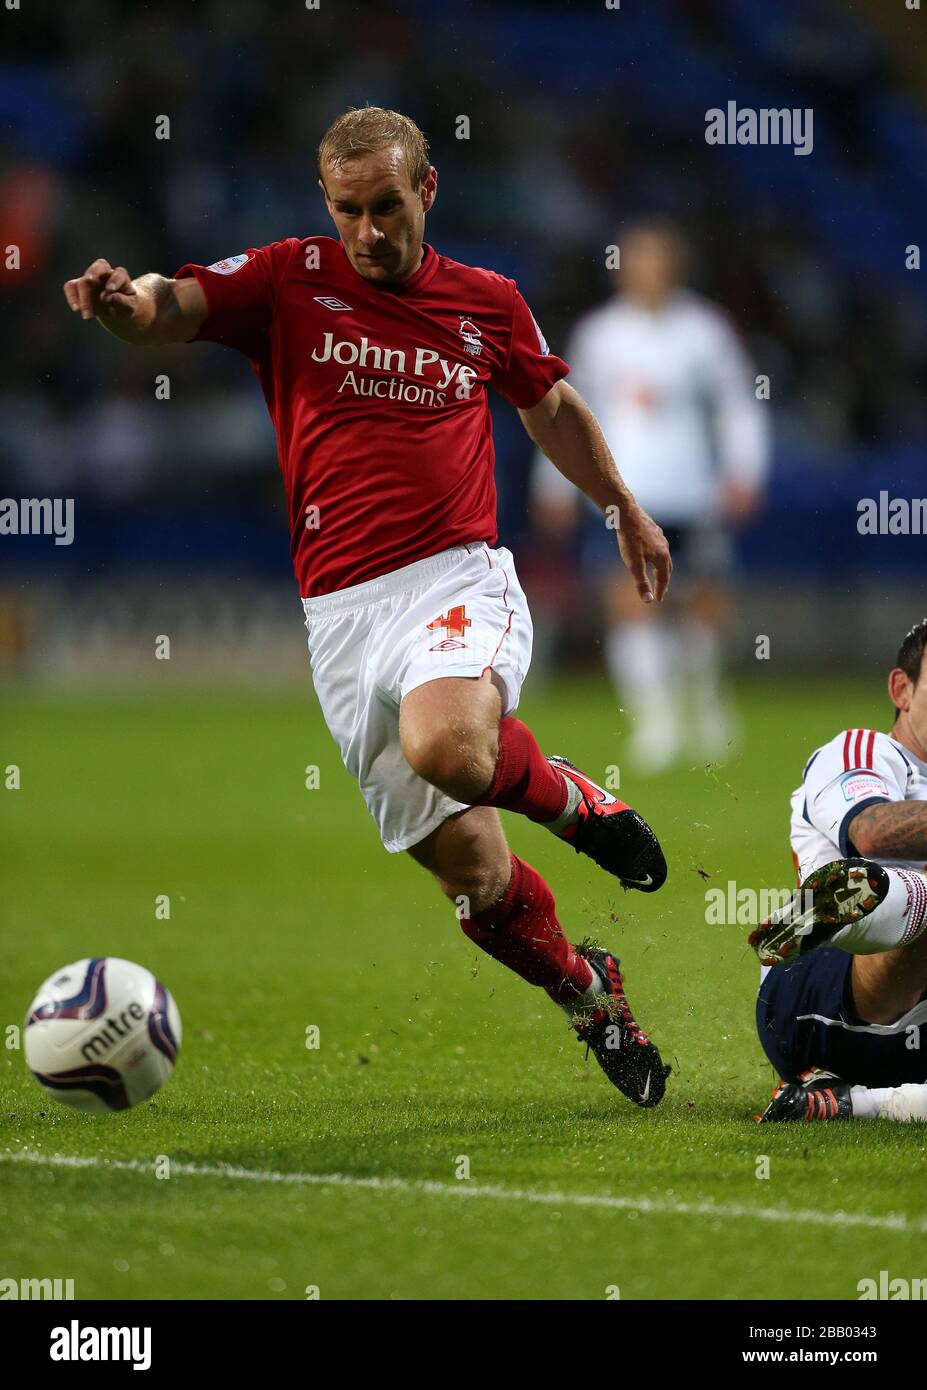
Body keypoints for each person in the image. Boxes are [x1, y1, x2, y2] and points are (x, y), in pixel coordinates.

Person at [63, 107, 674, 1106]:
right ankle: (586, 991)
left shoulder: (487, 302)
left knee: (446, 744)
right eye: (348, 211)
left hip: (455, 575)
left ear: (426, 191)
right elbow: (171, 305)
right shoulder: (287, 280)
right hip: (341, 619)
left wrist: (621, 505)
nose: (368, 232)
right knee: (475, 877)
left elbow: (549, 406)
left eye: (386, 206)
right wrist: (120, 303)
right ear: (328, 205)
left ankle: (576, 802)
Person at [531, 217, 768, 772]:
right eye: (635, 260)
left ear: (674, 266)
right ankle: (655, 721)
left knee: (701, 604)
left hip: (692, 490)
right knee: (628, 602)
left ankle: (707, 707)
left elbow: (737, 404)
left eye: (655, 260)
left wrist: (744, 470)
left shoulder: (706, 331)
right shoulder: (601, 334)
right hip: (623, 490)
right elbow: (566, 412)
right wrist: (556, 485)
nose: (645, 271)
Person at [750, 619, 927, 1123]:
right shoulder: (866, 752)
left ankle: (852, 1103)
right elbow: (870, 831)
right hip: (818, 995)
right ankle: (840, 906)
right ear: (902, 690)